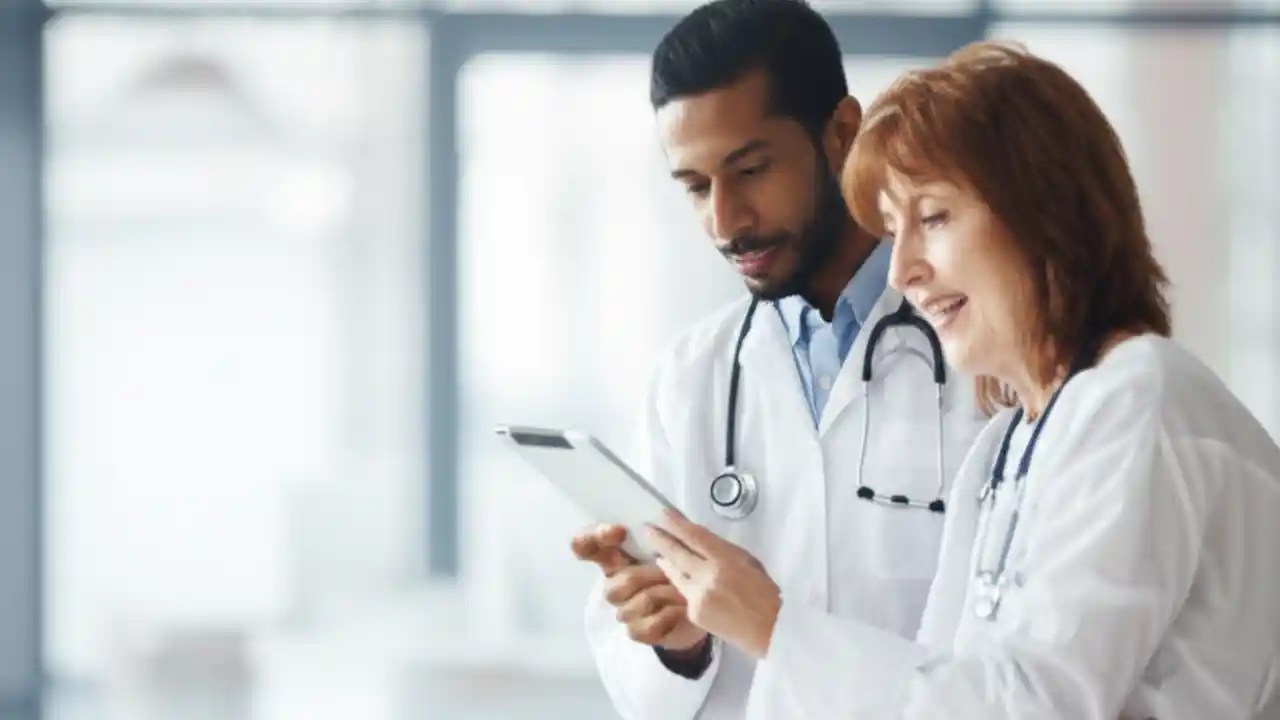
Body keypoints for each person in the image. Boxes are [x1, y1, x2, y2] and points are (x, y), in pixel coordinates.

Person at [644, 40, 1280, 719]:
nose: (901, 270)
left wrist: (772, 626)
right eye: (893, 227)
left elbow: (1034, 706)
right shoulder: (1012, 440)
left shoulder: (1138, 403)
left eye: (934, 218)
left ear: (1044, 212)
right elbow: (946, 685)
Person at [569, 1, 988, 718]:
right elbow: (643, 684)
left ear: (843, 133)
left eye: (752, 170)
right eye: (697, 188)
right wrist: (678, 647)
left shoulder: (979, 344)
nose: (725, 220)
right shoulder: (689, 378)